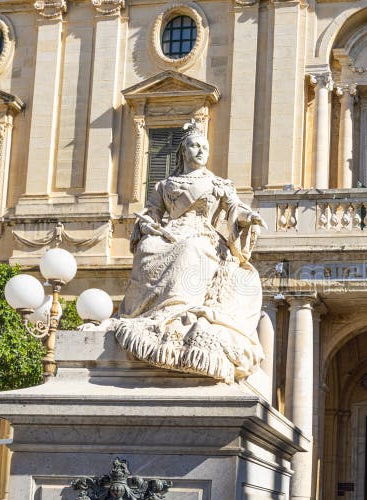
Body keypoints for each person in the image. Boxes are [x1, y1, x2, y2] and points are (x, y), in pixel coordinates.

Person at [114, 119, 266, 383]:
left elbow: (235, 209)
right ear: (183, 151)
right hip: (169, 233)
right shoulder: (165, 185)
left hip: (203, 236)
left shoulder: (219, 184)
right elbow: (152, 212)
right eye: (195, 146)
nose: (200, 151)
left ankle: (177, 310)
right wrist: (147, 225)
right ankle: (150, 315)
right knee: (149, 247)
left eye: (204, 147)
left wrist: (248, 218)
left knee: (190, 249)